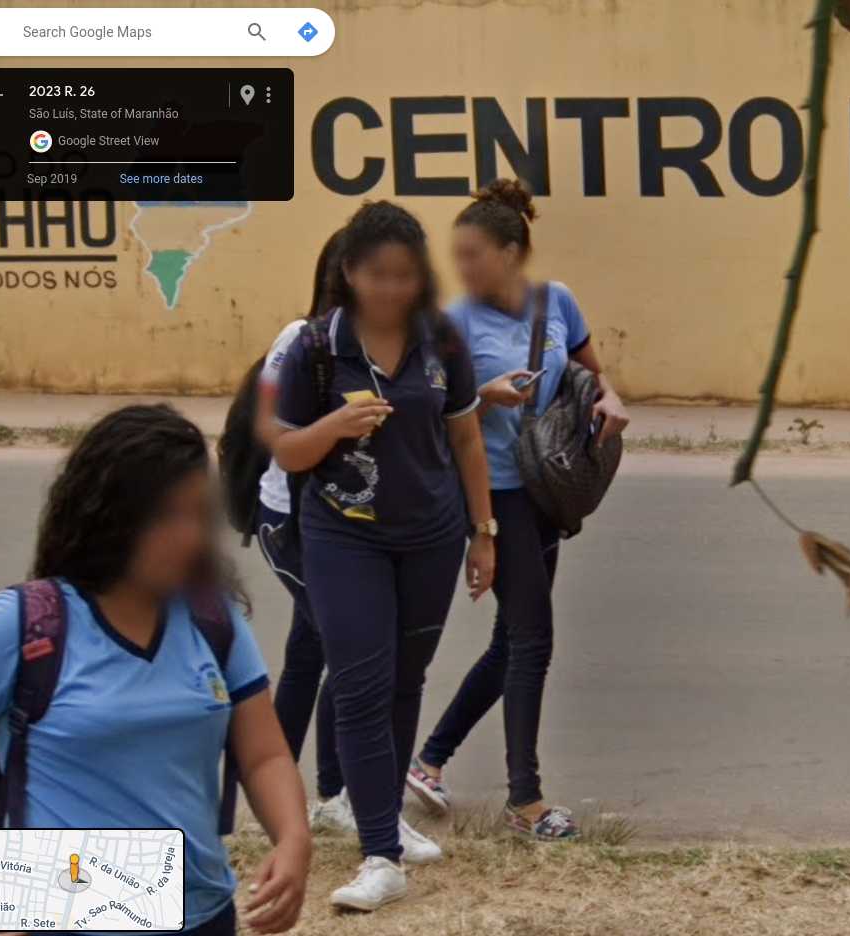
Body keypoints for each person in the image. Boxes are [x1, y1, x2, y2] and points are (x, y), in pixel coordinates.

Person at [0, 404, 311, 936]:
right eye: (166, 516)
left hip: (203, 915)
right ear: (108, 515)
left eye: (198, 514)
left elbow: (265, 756)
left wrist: (294, 839)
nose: (190, 536)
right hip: (59, 917)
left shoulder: (213, 619)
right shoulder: (25, 625)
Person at [270, 200, 496, 910]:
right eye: (378, 275)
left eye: (406, 275)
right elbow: (286, 449)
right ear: (349, 272)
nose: (393, 289)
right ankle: (381, 857)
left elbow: (465, 440)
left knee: (404, 682)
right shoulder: (315, 347)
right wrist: (336, 424)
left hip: (432, 535)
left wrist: (484, 532)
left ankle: (383, 819)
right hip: (343, 536)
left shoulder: (442, 341)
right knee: (361, 684)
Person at [405, 179, 630, 841]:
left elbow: (589, 369)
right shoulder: (452, 324)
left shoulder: (557, 301)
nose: (462, 268)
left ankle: (428, 761)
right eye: (457, 255)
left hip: (545, 486)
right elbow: (433, 419)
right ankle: (524, 803)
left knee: (512, 639)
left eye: (472, 254)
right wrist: (486, 399)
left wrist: (609, 398)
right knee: (533, 639)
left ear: (509, 253)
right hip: (494, 491)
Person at [251, 228, 350, 831]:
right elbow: (268, 424)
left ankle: (288, 792)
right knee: (347, 646)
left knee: (309, 652)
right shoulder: (299, 338)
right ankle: (333, 794)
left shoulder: (377, 344)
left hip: (332, 523)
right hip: (287, 518)